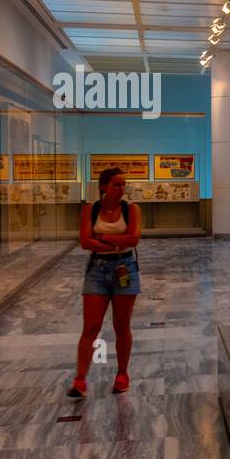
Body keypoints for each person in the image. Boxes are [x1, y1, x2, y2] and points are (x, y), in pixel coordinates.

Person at [68, 167, 142, 398]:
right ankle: (80, 379)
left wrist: (103, 237)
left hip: (124, 268)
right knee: (91, 326)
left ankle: (122, 374)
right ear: (104, 187)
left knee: (122, 325)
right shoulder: (91, 210)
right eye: (117, 184)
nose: (122, 188)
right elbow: (85, 242)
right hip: (97, 270)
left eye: (123, 184)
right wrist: (114, 243)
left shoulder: (131, 209)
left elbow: (133, 238)